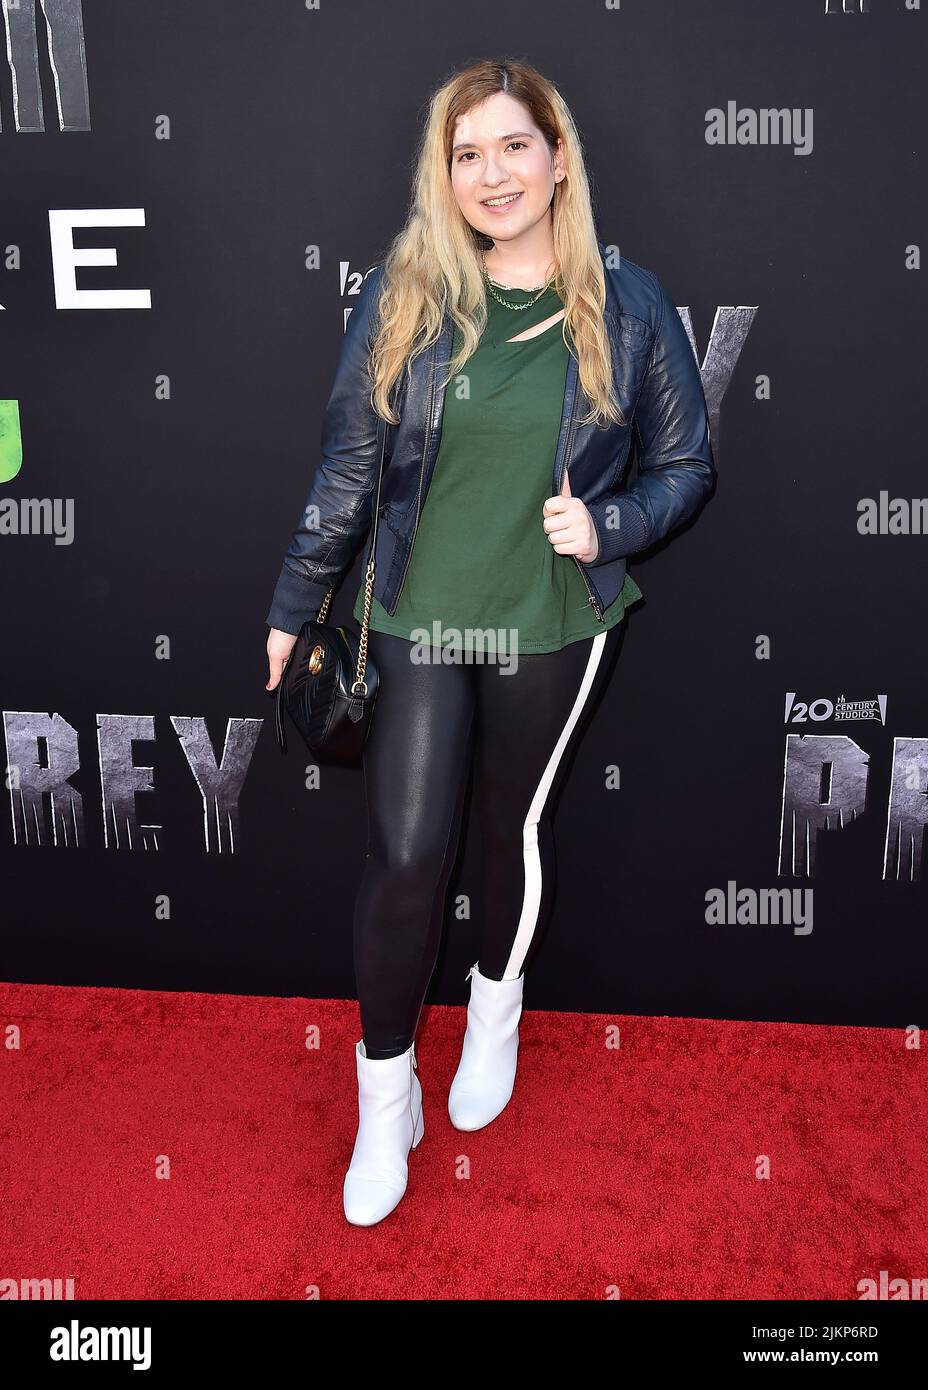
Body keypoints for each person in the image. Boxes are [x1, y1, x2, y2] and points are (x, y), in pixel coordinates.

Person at [265, 58, 715, 1227]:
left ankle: (496, 1005)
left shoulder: (629, 302)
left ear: (557, 157)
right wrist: (291, 603)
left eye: (514, 146)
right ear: (444, 175)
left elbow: (687, 468)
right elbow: (348, 468)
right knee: (408, 853)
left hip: (551, 618)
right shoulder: (405, 290)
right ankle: (384, 1093)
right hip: (417, 612)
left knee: (509, 831)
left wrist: (609, 520)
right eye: (467, 154)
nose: (492, 172)